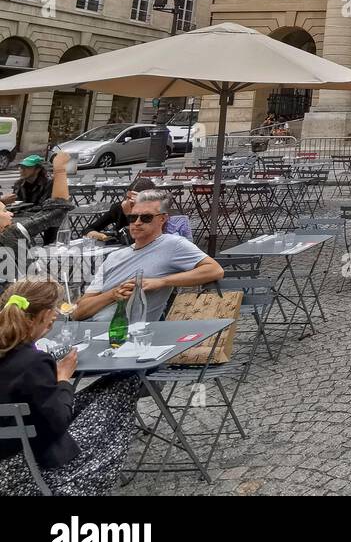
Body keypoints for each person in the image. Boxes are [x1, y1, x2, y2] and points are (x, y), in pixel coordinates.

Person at [0, 279, 142, 496]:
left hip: (13, 444)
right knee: (122, 384)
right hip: (26, 466)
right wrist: (63, 378)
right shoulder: (34, 362)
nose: (56, 315)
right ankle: (92, 476)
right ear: (45, 316)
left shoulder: (18, 353)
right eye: (54, 310)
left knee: (104, 390)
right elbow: (57, 420)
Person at [73, 192, 223, 322]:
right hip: (89, 331)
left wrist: (161, 282)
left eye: (146, 218)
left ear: (162, 219)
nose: (137, 223)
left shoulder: (172, 244)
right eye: (133, 218)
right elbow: (78, 312)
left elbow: (215, 270)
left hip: (127, 338)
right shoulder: (114, 257)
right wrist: (113, 294)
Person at [88, 186, 192, 245]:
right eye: (128, 198)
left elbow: (147, 240)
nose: (137, 222)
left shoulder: (159, 219)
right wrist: (102, 236)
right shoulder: (119, 208)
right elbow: (88, 229)